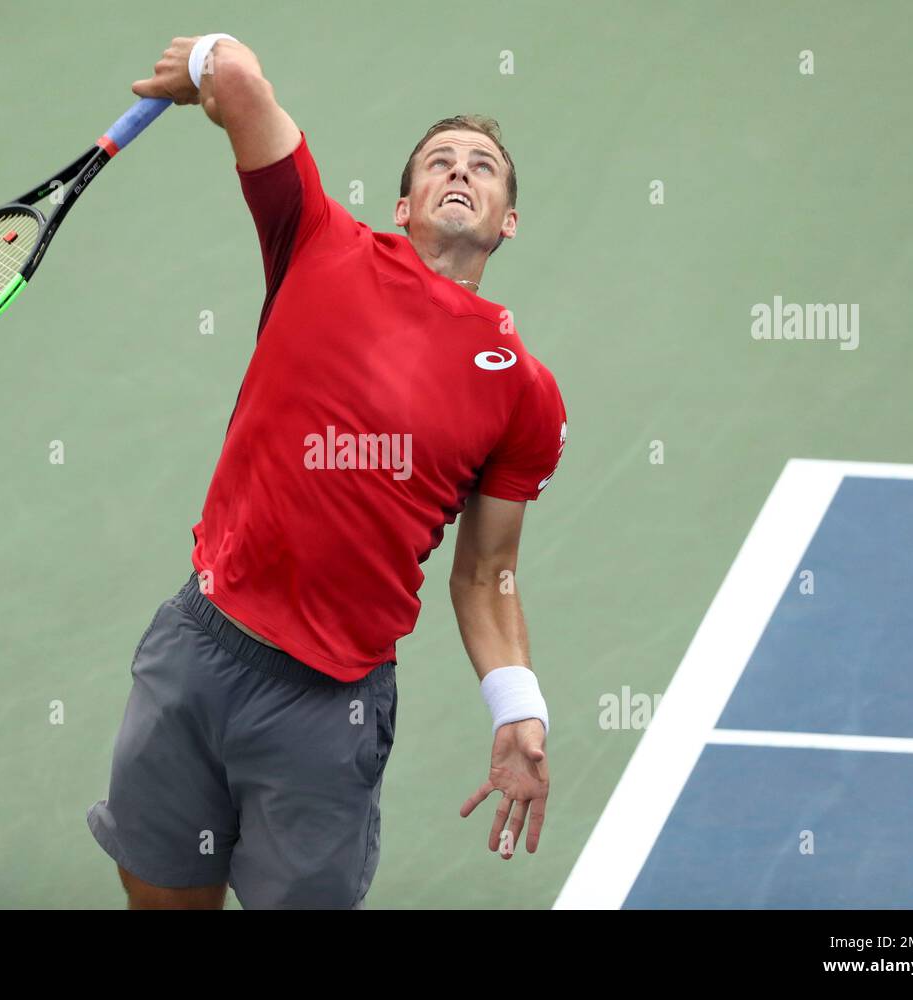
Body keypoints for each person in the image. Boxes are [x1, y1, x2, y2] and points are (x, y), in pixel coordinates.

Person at [87, 33, 566, 910]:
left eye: (484, 167)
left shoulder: (524, 394)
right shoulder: (315, 240)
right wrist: (208, 66)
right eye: (439, 162)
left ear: (508, 221)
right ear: (403, 204)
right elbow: (236, 80)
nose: (460, 171)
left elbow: (488, 571)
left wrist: (517, 704)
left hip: (326, 707)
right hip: (200, 648)